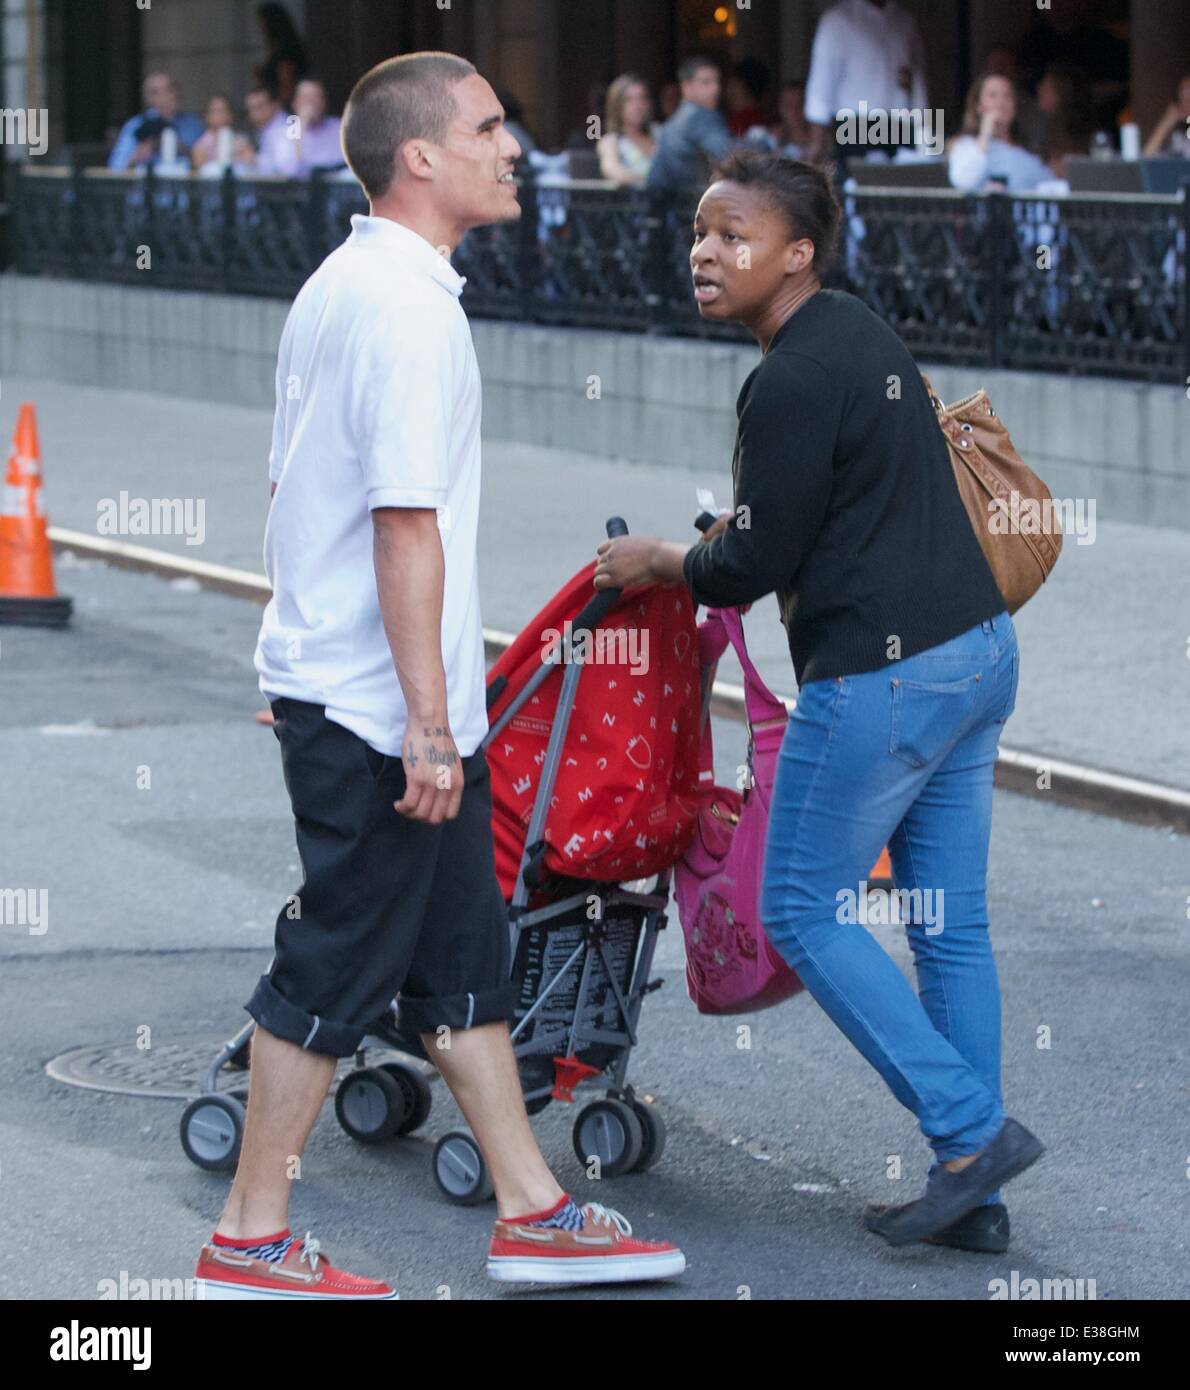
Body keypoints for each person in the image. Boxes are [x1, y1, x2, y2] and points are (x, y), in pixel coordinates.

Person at [193, 51, 685, 1300]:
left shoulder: (343, 283)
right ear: (418, 156)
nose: (512, 147)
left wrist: (312, 657)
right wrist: (420, 723)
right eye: (487, 126)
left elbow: (291, 486)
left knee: (462, 964)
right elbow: (401, 522)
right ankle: (249, 1239)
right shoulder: (406, 310)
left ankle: (531, 1210)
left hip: (369, 693)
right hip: (380, 711)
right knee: (332, 964)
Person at [593, 151, 1044, 1255]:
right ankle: (970, 1187)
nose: (705, 253)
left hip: (884, 680)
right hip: (978, 652)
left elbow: (750, 563)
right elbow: (825, 511)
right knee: (947, 923)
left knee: (799, 907)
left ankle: (971, 1130)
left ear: (796, 253)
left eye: (732, 235)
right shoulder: (858, 330)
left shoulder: (788, 377)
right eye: (699, 233)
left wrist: (661, 559)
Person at [803, 0, 927, 163]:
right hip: (856, 127)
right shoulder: (838, 19)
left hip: (901, 124)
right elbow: (821, 88)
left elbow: (917, 80)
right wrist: (817, 145)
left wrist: (925, 131)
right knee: (857, 178)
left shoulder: (905, 21)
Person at [948, 74, 1052, 192]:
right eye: (993, 96)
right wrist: (986, 133)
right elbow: (964, 181)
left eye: (1007, 96)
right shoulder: (966, 146)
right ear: (978, 106)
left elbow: (1049, 187)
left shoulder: (1027, 149)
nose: (1001, 102)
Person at [646, 56, 733, 194]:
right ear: (686, 87)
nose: (715, 88)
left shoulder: (673, 122)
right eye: (706, 82)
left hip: (671, 202)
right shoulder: (701, 116)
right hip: (694, 202)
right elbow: (730, 155)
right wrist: (760, 141)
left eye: (717, 81)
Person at [107, 72, 204, 170]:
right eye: (159, 92)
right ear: (150, 98)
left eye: (171, 90)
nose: (169, 96)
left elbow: (206, 163)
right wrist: (137, 157)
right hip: (149, 178)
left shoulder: (192, 124)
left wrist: (183, 150)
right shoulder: (136, 125)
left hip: (182, 177)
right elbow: (116, 167)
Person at [257, 78, 344, 177]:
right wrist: (301, 125)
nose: (312, 103)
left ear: (324, 102)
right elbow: (289, 171)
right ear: (295, 103)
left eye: (316, 97)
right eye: (306, 98)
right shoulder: (279, 133)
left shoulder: (339, 127)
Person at [597, 74, 658, 187]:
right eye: (629, 100)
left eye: (642, 98)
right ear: (617, 106)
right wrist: (650, 181)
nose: (637, 106)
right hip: (634, 197)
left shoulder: (659, 134)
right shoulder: (611, 141)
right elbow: (612, 169)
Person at [1037, 63, 1094, 178]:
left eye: (1047, 89)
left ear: (1061, 94)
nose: (1039, 90)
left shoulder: (1073, 131)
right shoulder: (1045, 126)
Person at [255, 0, 308, 107]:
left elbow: (286, 85)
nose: (259, 27)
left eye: (261, 22)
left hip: (284, 107)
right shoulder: (276, 48)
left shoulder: (285, 51)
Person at [191, 95, 256, 172]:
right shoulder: (201, 144)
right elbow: (200, 169)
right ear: (207, 116)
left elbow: (251, 163)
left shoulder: (241, 140)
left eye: (223, 111)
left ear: (230, 115)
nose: (219, 115)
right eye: (215, 111)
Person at [244, 85, 291, 174]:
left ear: (275, 105)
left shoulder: (285, 129)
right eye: (251, 108)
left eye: (259, 107)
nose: (254, 114)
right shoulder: (264, 129)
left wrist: (254, 159)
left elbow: (285, 168)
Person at [1142, 74, 1190, 158]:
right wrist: (1165, 124)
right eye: (1183, 95)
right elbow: (1146, 158)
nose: (1186, 101)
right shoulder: (1176, 136)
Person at [768, 81, 814, 159]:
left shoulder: (821, 139)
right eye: (788, 105)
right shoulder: (771, 138)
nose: (793, 111)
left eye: (799, 104)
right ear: (780, 108)